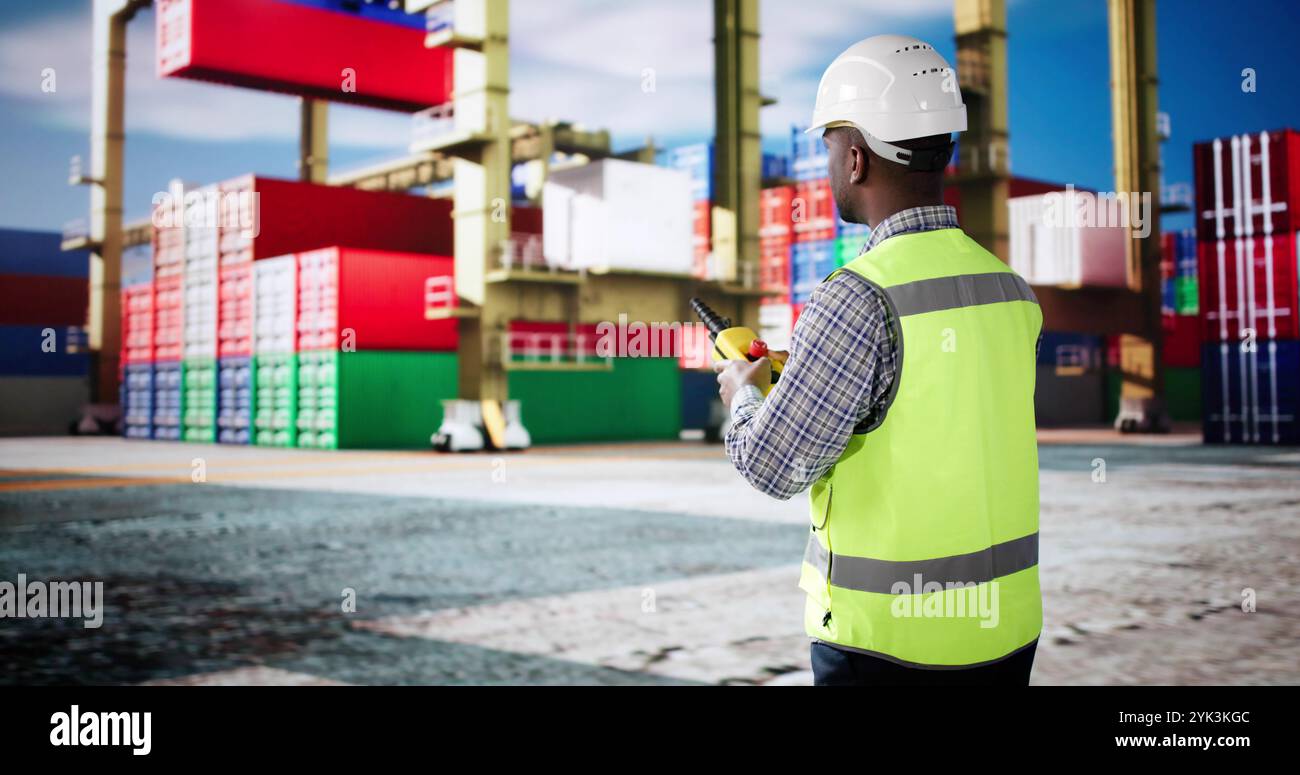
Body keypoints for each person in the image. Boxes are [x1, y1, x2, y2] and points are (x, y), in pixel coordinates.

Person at [715, 34, 1043, 686]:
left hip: (886, 647)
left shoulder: (857, 296)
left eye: (829, 144)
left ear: (857, 157)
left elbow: (774, 464)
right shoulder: (1012, 291)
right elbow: (934, 412)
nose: (829, 162)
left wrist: (743, 392)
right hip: (1006, 635)